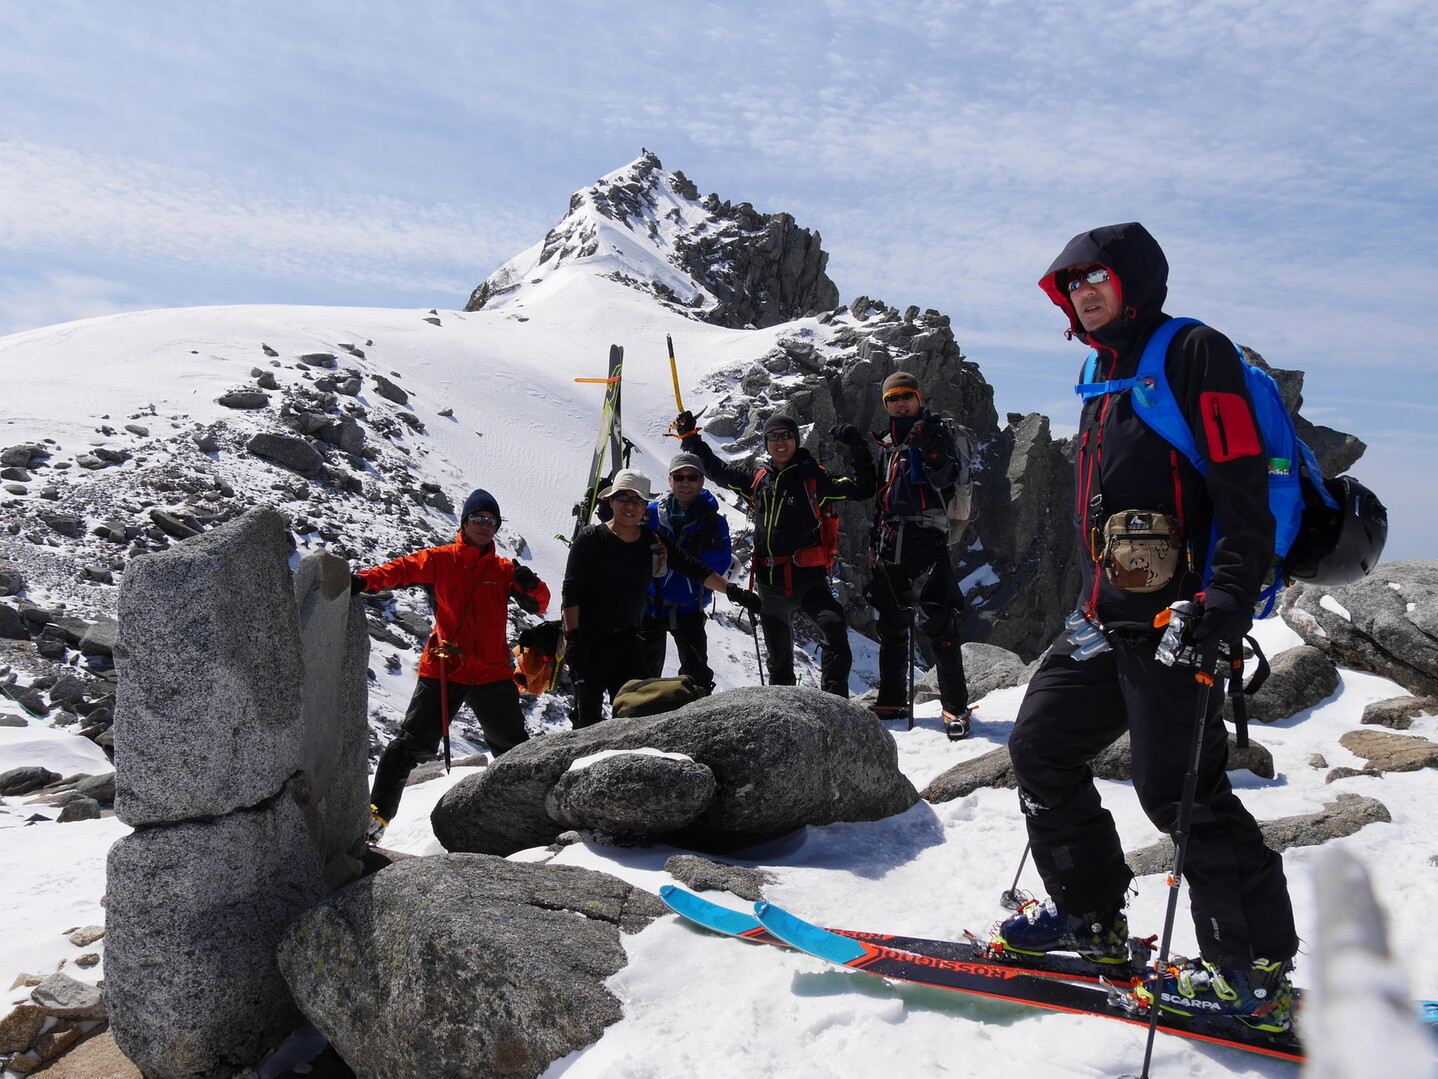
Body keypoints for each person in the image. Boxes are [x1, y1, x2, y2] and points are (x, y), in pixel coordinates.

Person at [995, 222, 1298, 1031]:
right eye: (1071, 284)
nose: (1084, 292)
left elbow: (1238, 489)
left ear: (1133, 279)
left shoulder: (1194, 352)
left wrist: (1225, 603)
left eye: (1097, 277)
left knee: (1180, 791)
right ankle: (1091, 916)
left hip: (1182, 619)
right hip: (1106, 617)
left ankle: (1252, 971)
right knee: (1041, 745)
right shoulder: (1101, 371)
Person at [353, 489, 549, 841]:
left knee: (513, 750)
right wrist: (364, 581)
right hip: (445, 667)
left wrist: (531, 585)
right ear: (465, 522)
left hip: (490, 670)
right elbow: (400, 570)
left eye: (492, 521)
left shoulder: (505, 569)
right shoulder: (440, 559)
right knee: (411, 744)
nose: (485, 526)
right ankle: (376, 817)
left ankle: (525, 822)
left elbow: (540, 604)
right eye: (479, 519)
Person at [676, 409, 876, 695]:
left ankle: (835, 704)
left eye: (786, 436)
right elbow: (716, 471)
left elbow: (864, 487)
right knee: (779, 661)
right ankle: (783, 712)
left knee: (834, 630)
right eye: (773, 437)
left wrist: (857, 446)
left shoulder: (814, 479)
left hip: (808, 580)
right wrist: (691, 439)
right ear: (766, 443)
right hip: (770, 584)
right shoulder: (758, 480)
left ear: (796, 440)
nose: (780, 442)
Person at [562, 469, 760, 727]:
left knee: (634, 718)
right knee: (587, 720)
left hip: (629, 644)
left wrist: (734, 592)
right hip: (590, 643)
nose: (631, 506)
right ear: (611, 501)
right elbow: (571, 592)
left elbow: (693, 568)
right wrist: (573, 640)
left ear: (646, 507)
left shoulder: (652, 540)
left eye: (638, 501)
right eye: (624, 498)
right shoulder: (590, 539)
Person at [864, 371, 973, 738]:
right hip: (890, 537)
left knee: (939, 624)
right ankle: (892, 699)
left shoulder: (934, 431)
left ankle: (955, 707)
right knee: (891, 622)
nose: (900, 403)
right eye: (892, 398)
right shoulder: (888, 442)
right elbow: (883, 492)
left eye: (906, 395)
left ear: (919, 398)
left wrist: (931, 449)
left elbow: (944, 478)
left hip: (925, 537)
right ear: (886, 404)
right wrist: (871, 538)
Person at [638, 452, 733, 689]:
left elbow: (719, 567)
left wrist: (706, 538)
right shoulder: (649, 513)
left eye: (692, 477)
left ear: (701, 482)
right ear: (670, 480)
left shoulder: (714, 521)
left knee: (697, 676)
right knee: (642, 678)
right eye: (679, 477)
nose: (685, 482)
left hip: (689, 607)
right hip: (648, 607)